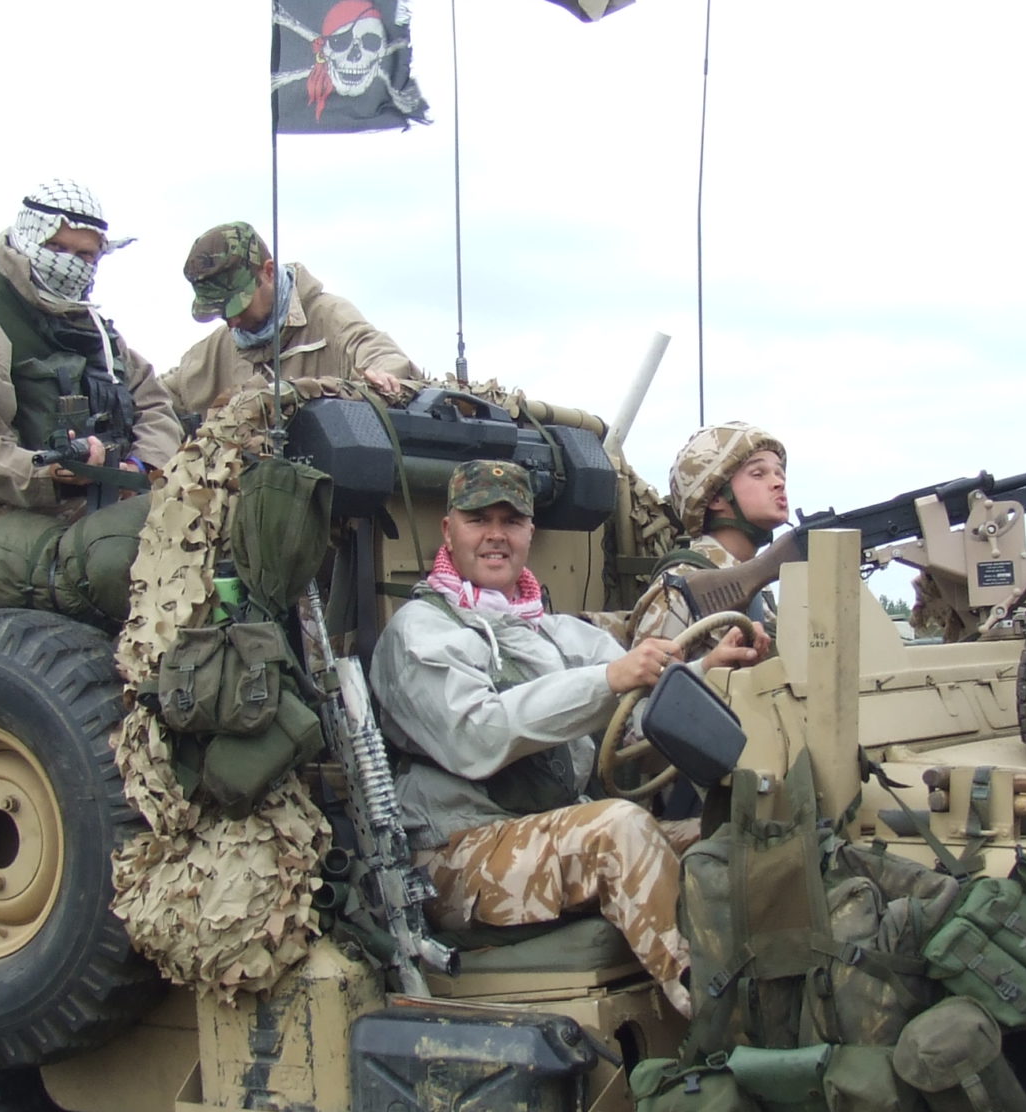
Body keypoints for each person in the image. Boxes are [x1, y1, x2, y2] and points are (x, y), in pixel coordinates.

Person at [370, 460, 764, 1017]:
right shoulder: (420, 632)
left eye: (511, 521)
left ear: (531, 533)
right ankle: (717, 1018)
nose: (496, 535)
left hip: (549, 835)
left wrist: (708, 669)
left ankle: (768, 993)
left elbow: (635, 709)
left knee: (724, 833)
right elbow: (476, 736)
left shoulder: (548, 631)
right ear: (449, 531)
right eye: (479, 519)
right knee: (617, 826)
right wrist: (608, 679)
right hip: (451, 861)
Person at [0, 179, 180, 617]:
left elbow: (154, 404)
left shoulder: (92, 325)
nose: (72, 265)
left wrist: (142, 465)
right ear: (29, 238)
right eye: (59, 249)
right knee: (132, 562)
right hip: (2, 515)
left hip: (107, 500)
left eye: (85, 255)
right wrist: (51, 472)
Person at [161, 221, 417, 417]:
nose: (232, 321)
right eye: (220, 312)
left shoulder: (328, 317)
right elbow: (158, 398)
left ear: (269, 272)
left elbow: (381, 356)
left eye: (238, 304)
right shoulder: (216, 349)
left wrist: (381, 378)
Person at [626, 422, 790, 653]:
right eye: (758, 474)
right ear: (715, 498)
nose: (778, 483)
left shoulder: (758, 585)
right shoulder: (682, 588)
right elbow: (650, 683)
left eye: (779, 472)